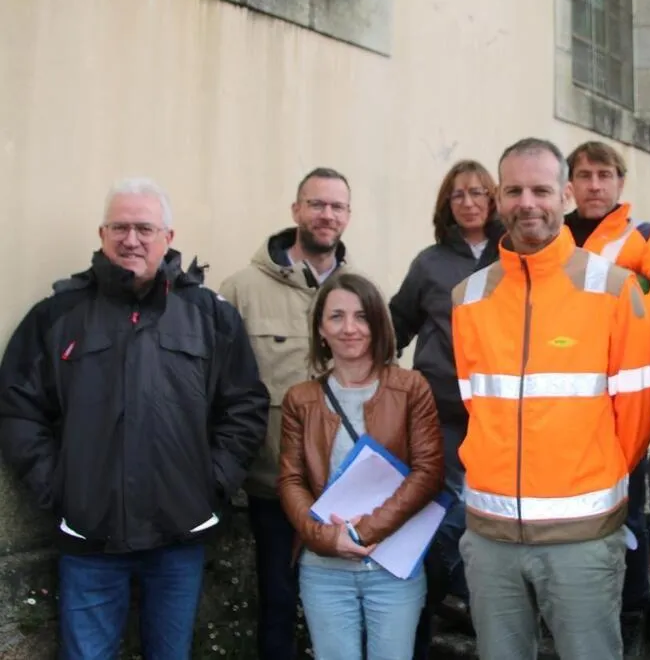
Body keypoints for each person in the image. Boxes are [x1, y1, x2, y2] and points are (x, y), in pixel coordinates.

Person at [0, 177, 269, 660]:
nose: (132, 239)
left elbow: (245, 406)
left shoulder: (209, 315)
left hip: (178, 532)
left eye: (145, 227)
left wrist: (211, 483)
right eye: (120, 227)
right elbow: (18, 407)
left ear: (168, 236)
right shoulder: (59, 314)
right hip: (89, 536)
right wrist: (58, 487)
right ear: (102, 234)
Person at [450, 138, 650, 660]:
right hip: (491, 535)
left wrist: (594, 478)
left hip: (582, 538)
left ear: (565, 195)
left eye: (541, 189)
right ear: (499, 198)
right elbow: (475, 404)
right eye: (515, 190)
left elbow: (637, 417)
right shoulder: (469, 297)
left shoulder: (613, 288)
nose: (528, 202)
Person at [219, 167, 352, 659]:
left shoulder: (360, 291)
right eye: (317, 204)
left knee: (339, 606)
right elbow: (221, 387)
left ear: (348, 216)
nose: (327, 215)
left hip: (345, 487)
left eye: (337, 207)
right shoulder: (241, 291)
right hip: (272, 483)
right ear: (296, 210)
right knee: (277, 600)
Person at [562, 140, 650, 657]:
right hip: (562, 395)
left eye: (605, 174)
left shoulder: (646, 236)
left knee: (627, 503)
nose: (595, 185)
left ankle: (631, 608)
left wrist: (613, 326)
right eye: (585, 175)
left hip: (625, 395)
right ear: (570, 183)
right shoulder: (554, 233)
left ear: (620, 183)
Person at [277, 272, 444, 660]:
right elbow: (290, 479)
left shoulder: (411, 388)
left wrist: (363, 532)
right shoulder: (300, 399)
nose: (349, 328)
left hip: (392, 565)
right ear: (320, 329)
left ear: (378, 324)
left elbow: (428, 472)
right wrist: (324, 538)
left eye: (361, 316)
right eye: (336, 316)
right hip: (323, 568)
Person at [388, 159, 503, 657]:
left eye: (479, 192)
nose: (470, 202)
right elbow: (396, 324)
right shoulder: (430, 263)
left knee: (487, 514)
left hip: (499, 413)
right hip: (440, 413)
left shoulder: (513, 256)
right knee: (442, 515)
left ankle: (482, 605)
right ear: (447, 205)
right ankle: (446, 598)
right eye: (459, 195)